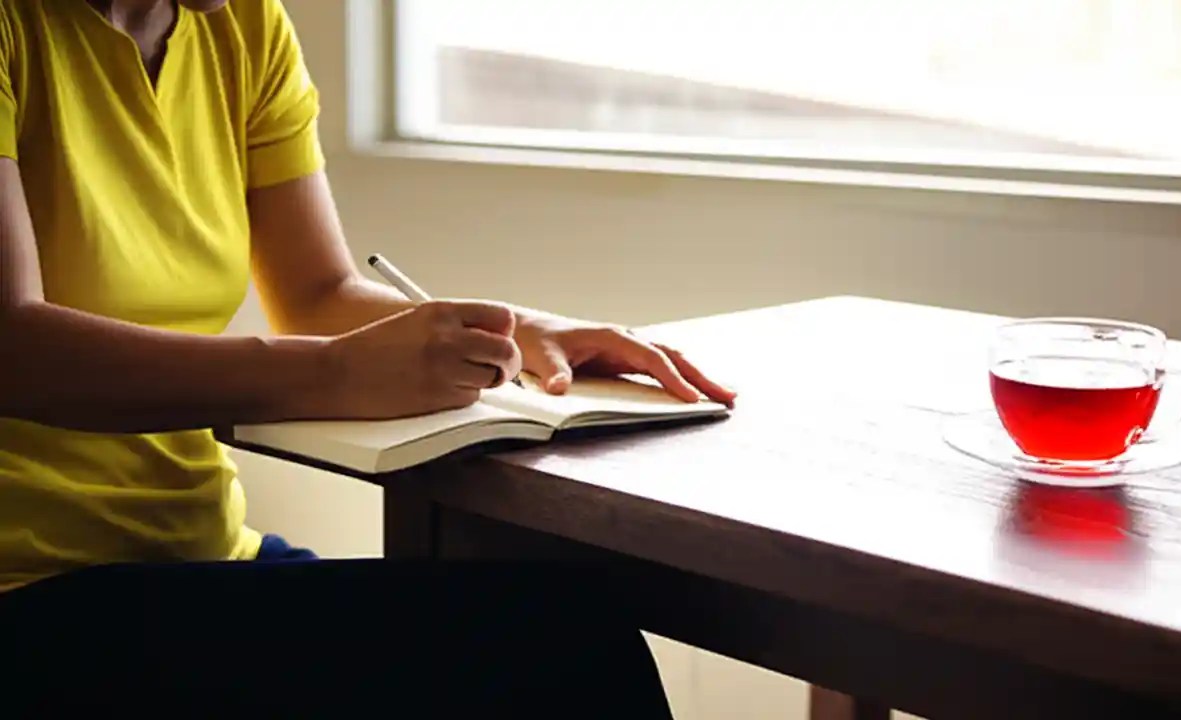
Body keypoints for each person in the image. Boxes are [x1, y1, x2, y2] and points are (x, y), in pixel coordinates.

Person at [0, 0, 735, 715]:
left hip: (198, 549)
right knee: (562, 643)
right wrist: (332, 371)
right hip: (26, 588)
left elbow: (319, 291)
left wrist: (515, 330)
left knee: (550, 635)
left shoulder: (243, 25)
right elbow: (14, 347)